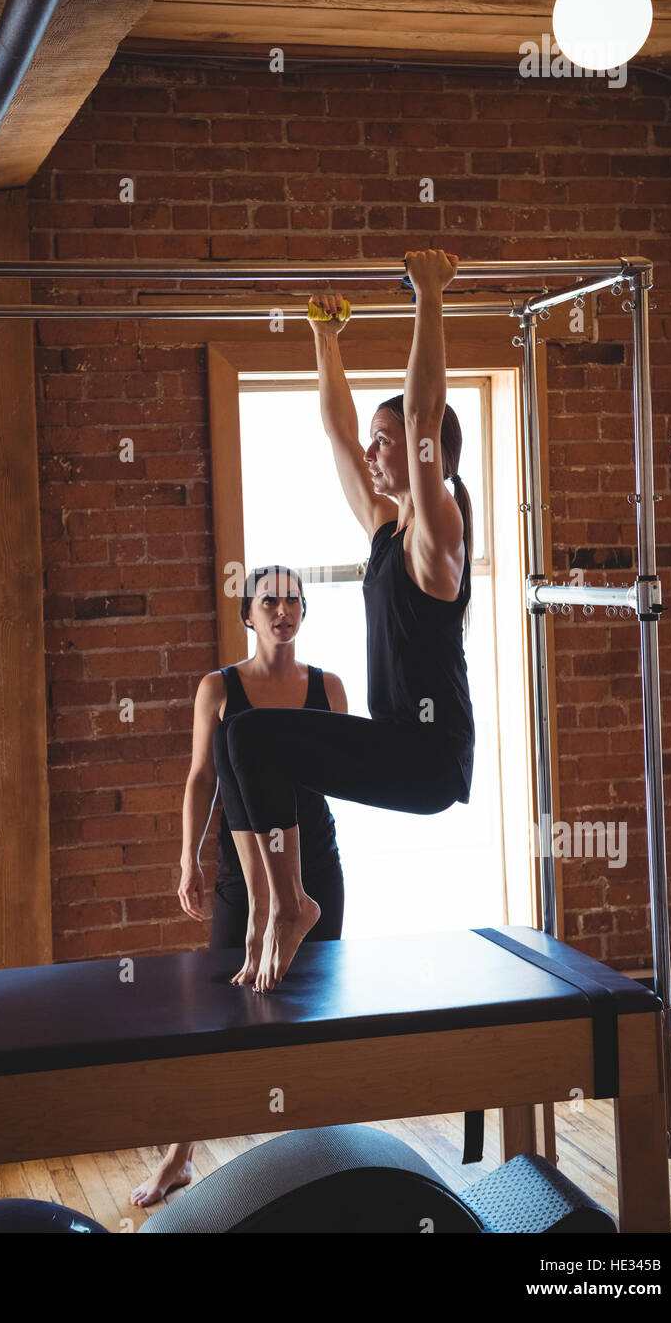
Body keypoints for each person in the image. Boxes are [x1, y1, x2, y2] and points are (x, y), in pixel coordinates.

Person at [218, 248, 476, 993]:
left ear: (426, 456)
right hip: (395, 744)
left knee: (254, 738)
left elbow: (422, 412)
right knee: (247, 741)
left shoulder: (437, 536)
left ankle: (292, 902)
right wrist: (324, 337)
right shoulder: (383, 532)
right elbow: (335, 433)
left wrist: (429, 293)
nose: (370, 450)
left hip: (427, 756)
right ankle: (278, 903)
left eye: (384, 441)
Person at [130, 564, 347, 1207]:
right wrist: (186, 859)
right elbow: (201, 778)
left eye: (293, 601)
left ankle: (325, 1156)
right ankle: (179, 1157)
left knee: (313, 1011)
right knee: (219, 1013)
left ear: (304, 613)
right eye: (269, 600)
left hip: (314, 868)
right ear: (248, 615)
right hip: (239, 875)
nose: (283, 610)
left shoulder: (328, 687)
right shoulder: (218, 688)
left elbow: (340, 776)